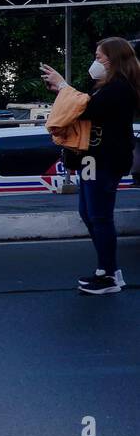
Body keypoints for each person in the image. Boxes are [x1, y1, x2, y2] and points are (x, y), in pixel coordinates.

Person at [40, 37, 140, 294]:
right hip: (93, 159)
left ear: (114, 59)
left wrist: (63, 86)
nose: (95, 62)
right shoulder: (104, 86)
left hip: (106, 159)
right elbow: (83, 105)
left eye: (99, 57)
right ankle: (107, 270)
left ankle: (108, 274)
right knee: (89, 214)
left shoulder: (120, 88)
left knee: (99, 215)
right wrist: (64, 90)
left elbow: (87, 109)